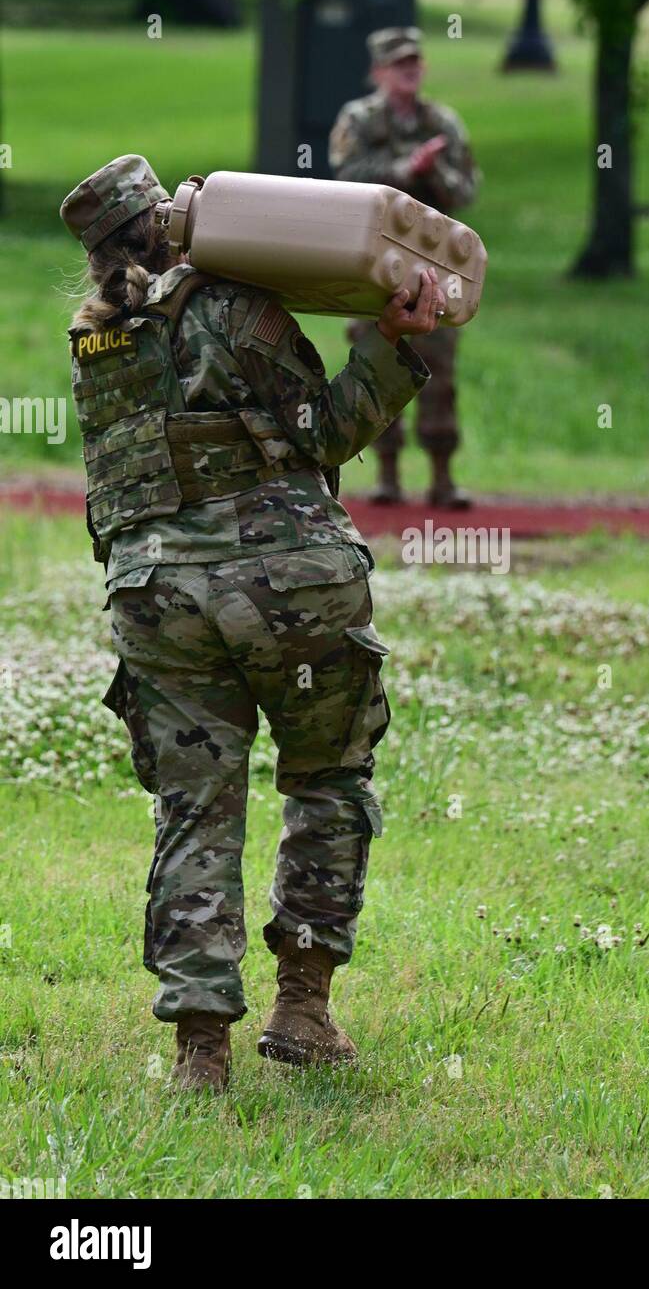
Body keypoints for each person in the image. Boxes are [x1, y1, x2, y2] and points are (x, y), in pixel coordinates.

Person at [60, 154, 445, 1092]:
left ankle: (199, 1050)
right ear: (172, 220)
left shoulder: (95, 342)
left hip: (158, 600)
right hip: (289, 585)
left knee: (194, 808)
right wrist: (394, 347)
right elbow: (323, 430)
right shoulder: (236, 307)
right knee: (326, 779)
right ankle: (304, 1009)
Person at [329, 26, 480, 508]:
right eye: (398, 64)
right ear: (378, 72)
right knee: (378, 357)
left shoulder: (444, 122)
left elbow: (467, 189)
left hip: (433, 262)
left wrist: (432, 169)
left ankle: (441, 477)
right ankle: (388, 476)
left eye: (415, 62)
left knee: (439, 364)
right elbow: (346, 178)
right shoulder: (357, 120)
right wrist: (402, 171)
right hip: (374, 262)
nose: (409, 70)